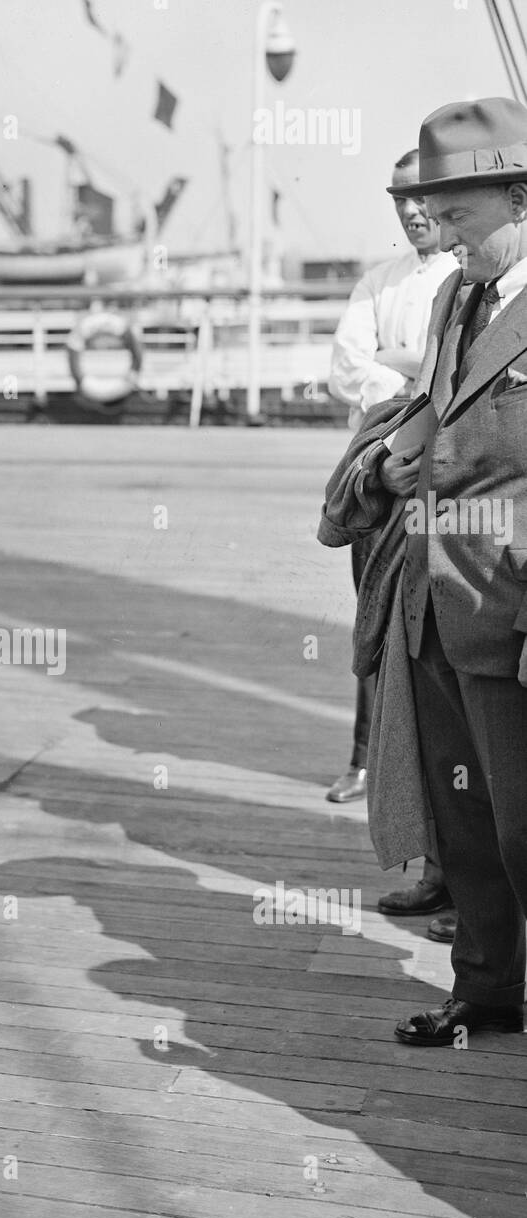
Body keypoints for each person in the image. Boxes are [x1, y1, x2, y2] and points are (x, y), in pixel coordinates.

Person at [369, 97, 527, 1047]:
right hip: (434, 600)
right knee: (464, 822)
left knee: (523, 829)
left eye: (460, 216)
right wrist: (385, 465)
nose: (443, 234)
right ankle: (486, 990)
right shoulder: (454, 296)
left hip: (508, 610)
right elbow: (434, 413)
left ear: (518, 198)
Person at [327, 149, 457, 933]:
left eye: (423, 197)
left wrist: (406, 374)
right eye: (399, 198)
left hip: (451, 500)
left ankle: (468, 879)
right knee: (384, 648)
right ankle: (431, 858)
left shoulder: (479, 284)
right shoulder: (378, 280)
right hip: (383, 487)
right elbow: (349, 366)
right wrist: (404, 386)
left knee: (448, 679)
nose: (411, 211)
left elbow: (454, 378)